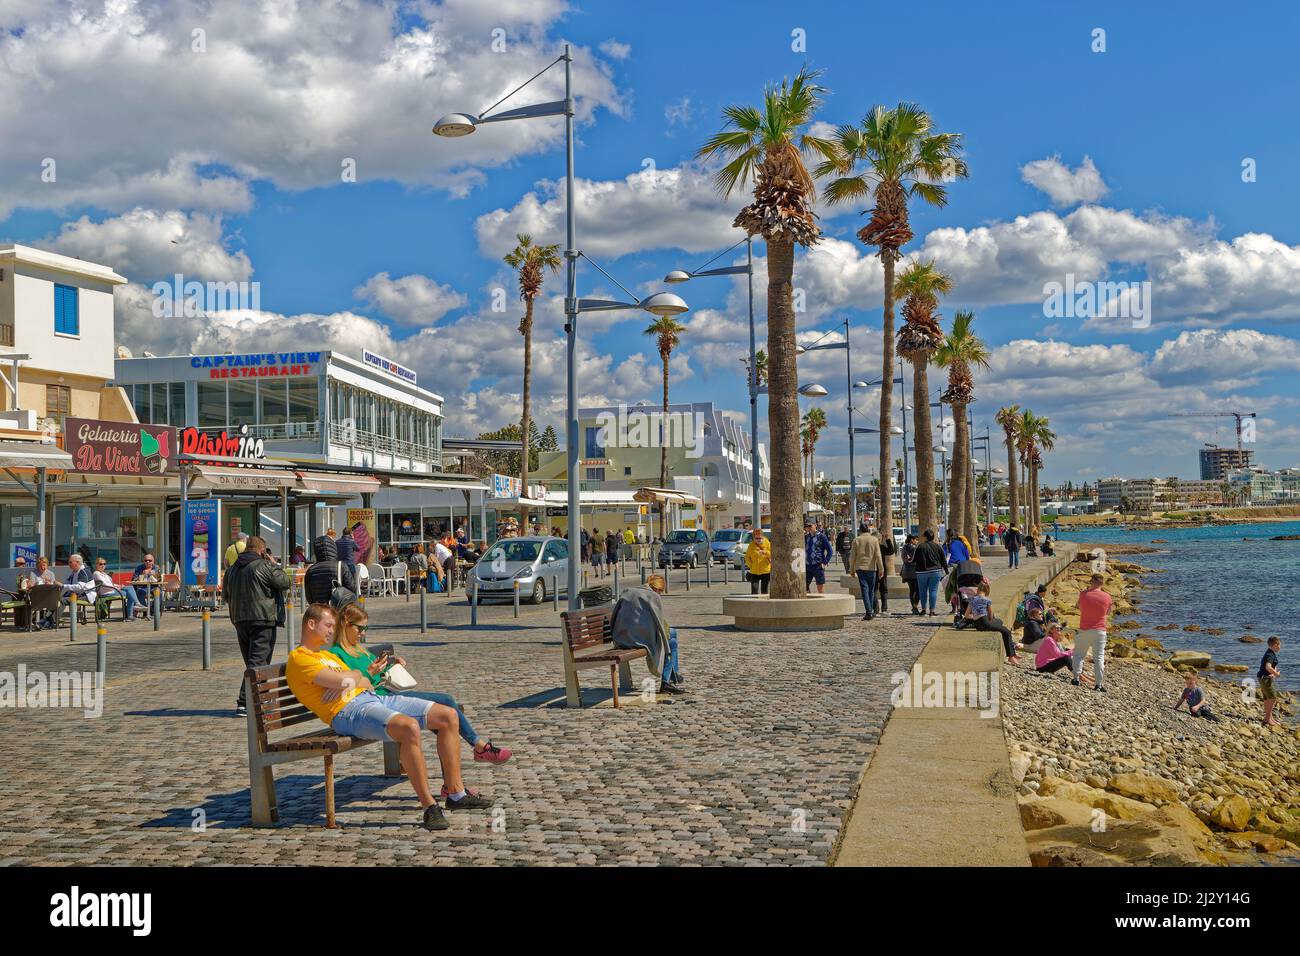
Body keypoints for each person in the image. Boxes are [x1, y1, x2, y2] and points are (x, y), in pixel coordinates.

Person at [287, 604, 492, 830]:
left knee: (449, 715)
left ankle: (456, 794)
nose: (331, 631)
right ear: (311, 624)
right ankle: (430, 807)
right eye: (328, 625)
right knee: (408, 727)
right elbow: (347, 681)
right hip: (347, 712)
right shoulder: (299, 658)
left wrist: (350, 678)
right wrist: (348, 679)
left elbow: (361, 680)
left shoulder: (326, 656)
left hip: (372, 698)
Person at [330, 602, 512, 770]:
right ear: (346, 625)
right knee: (444, 710)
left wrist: (392, 662)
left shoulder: (359, 650)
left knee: (445, 705)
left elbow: (376, 668)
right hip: (376, 704)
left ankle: (475, 753)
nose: (363, 633)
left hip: (389, 695)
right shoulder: (336, 654)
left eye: (366, 628)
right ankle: (478, 750)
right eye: (360, 628)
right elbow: (348, 683)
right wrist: (370, 672)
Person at [226, 535, 291, 716]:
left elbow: (226, 595)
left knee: (254, 661)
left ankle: (260, 697)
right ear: (262, 551)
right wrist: (274, 564)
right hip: (262, 618)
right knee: (257, 662)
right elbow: (284, 582)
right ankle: (244, 702)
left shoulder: (232, 570)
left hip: (240, 619)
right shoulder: (265, 566)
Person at [610, 574, 683, 694]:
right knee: (672, 641)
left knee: (673, 634)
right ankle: (668, 679)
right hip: (637, 639)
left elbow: (614, 615)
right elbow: (659, 622)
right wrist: (665, 643)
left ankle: (672, 675)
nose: (660, 594)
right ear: (657, 588)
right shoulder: (653, 596)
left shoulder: (628, 591)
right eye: (660, 591)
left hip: (621, 637)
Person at [1072, 573, 1112, 693]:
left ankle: (1076, 679)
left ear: (1092, 582)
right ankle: (1098, 684)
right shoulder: (1107, 597)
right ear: (1102, 583)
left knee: (1079, 654)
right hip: (1100, 630)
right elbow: (1108, 612)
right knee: (1099, 657)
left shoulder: (1083, 594)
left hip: (1084, 629)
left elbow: (1080, 607)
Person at [848, 521, 885, 622]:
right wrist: (881, 569)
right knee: (871, 590)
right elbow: (878, 555)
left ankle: (868, 611)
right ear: (868, 530)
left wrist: (851, 569)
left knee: (864, 589)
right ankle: (871, 611)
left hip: (860, 568)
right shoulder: (874, 540)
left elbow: (852, 556)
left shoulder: (856, 540)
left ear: (860, 530)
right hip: (872, 568)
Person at [912, 529, 947, 616]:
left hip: (921, 572)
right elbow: (943, 560)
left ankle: (923, 610)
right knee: (933, 591)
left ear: (925, 537)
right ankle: (932, 611)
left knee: (922, 591)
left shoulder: (920, 547)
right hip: (935, 571)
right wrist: (946, 571)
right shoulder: (938, 546)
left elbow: (913, 560)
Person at [1258, 637, 1282, 727]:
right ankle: (1267, 719)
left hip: (1263, 677)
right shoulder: (1270, 655)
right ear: (1275, 645)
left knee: (1267, 698)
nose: (1280, 647)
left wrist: (1272, 673)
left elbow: (1269, 666)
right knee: (1272, 698)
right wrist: (1276, 674)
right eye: (1279, 645)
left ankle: (1269, 718)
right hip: (1265, 679)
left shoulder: (1270, 652)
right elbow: (1268, 666)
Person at [803, 520, 833, 595]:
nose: (808, 528)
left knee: (820, 587)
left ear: (815, 525)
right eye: (806, 526)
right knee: (805, 586)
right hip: (807, 565)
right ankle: (809, 602)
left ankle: (822, 604)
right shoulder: (806, 537)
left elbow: (830, 550)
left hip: (818, 565)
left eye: (810, 526)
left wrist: (825, 562)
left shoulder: (822, 536)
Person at [876, 527, 897, 614]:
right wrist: (888, 540)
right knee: (883, 588)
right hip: (881, 570)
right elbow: (891, 551)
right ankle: (883, 608)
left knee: (876, 589)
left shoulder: (880, 547)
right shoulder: (880, 547)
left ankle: (876, 608)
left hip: (874, 569)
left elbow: (890, 551)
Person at [745, 527, 771, 594]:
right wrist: (751, 565)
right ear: (753, 538)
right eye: (756, 538)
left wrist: (765, 552)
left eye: (760, 538)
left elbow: (773, 555)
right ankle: (754, 603)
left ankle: (765, 604)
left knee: (764, 590)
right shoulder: (751, 545)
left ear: (763, 537)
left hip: (765, 571)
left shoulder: (767, 543)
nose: (758, 540)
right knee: (754, 590)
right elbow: (747, 557)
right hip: (754, 571)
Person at [900, 534, 920, 614]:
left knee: (912, 590)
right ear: (912, 539)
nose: (917, 541)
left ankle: (914, 607)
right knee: (917, 590)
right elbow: (915, 559)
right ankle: (915, 606)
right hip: (914, 572)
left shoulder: (904, 547)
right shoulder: (912, 548)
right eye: (916, 539)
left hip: (907, 572)